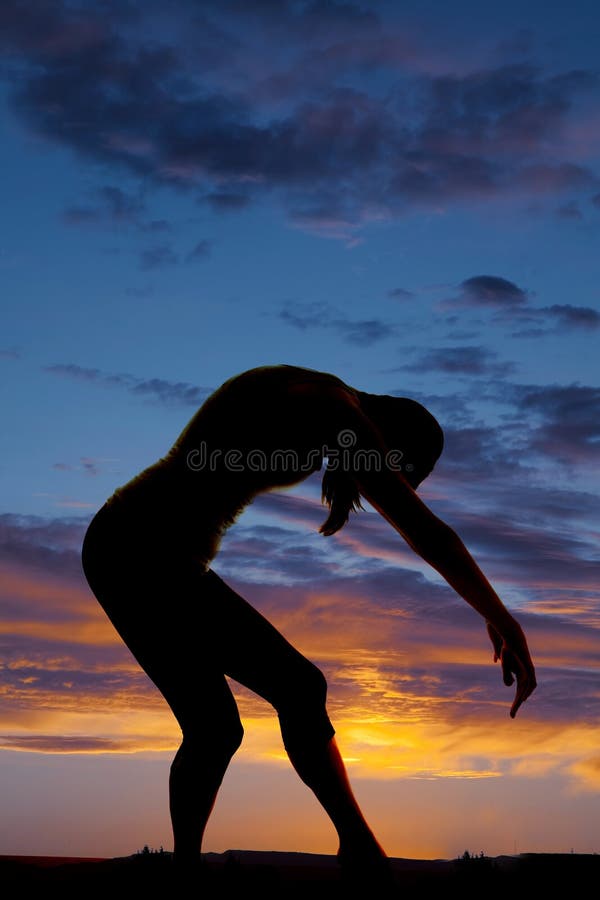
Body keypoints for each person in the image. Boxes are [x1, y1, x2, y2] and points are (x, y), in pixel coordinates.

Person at [81, 363, 536, 883]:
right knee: (296, 688)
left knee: (214, 728)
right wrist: (500, 616)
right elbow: (422, 529)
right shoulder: (329, 406)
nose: (376, 479)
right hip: (138, 550)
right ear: (387, 439)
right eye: (389, 468)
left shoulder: (327, 405)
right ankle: (359, 847)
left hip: (144, 552)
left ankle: (190, 874)